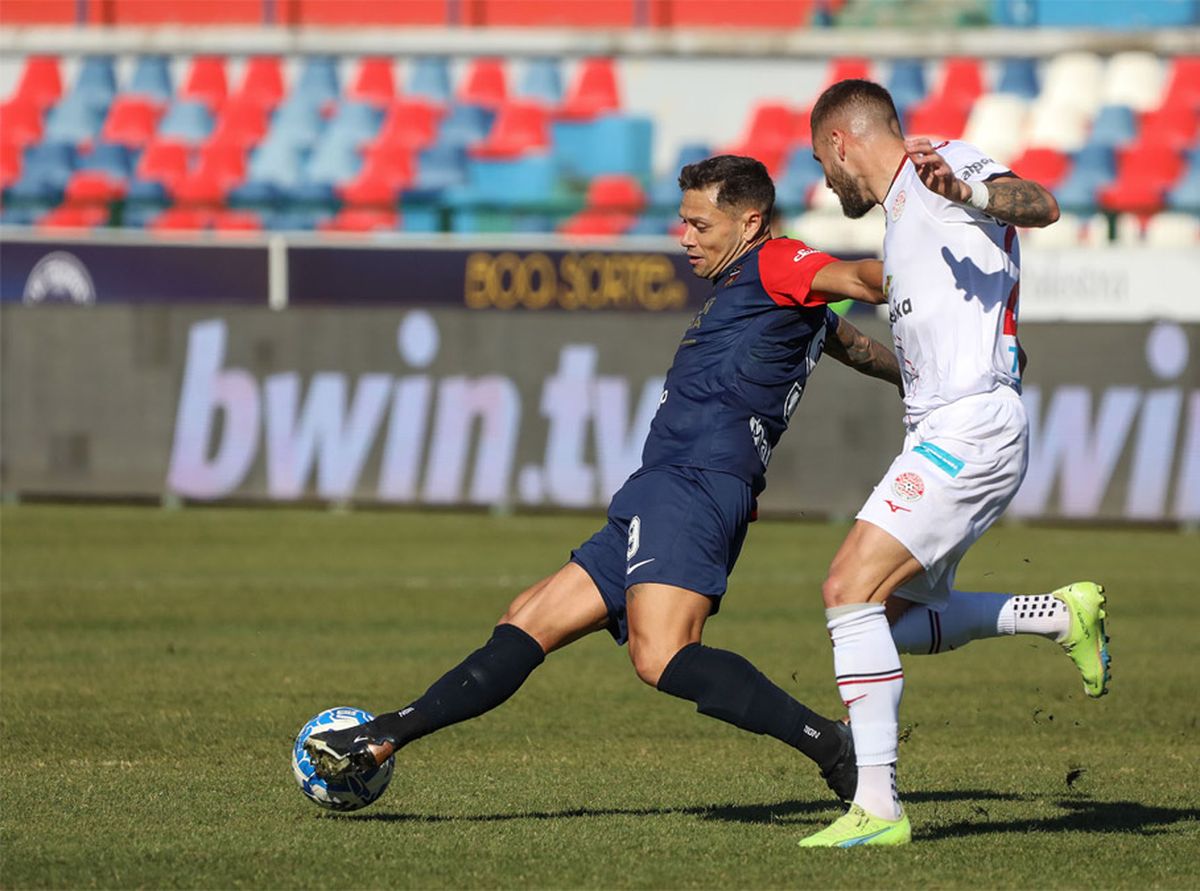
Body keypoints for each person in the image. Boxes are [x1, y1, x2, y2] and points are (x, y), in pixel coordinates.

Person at [304, 155, 904, 802]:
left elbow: (863, 279)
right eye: (683, 222)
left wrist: (924, 276)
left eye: (700, 225)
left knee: (661, 653)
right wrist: (917, 374)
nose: (685, 238)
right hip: (657, 486)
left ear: (751, 222)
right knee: (526, 619)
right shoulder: (769, 296)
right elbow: (857, 346)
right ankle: (384, 734)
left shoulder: (778, 261)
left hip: (696, 483)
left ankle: (834, 746)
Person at [798, 79, 1110, 848]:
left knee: (847, 588)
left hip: (971, 427)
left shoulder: (935, 166)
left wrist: (965, 188)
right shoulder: (901, 222)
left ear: (841, 143)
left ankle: (877, 806)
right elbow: (916, 355)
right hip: (942, 426)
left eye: (821, 162)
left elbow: (1042, 204)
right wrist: (830, 337)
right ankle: (1059, 613)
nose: (826, 180)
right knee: (892, 620)